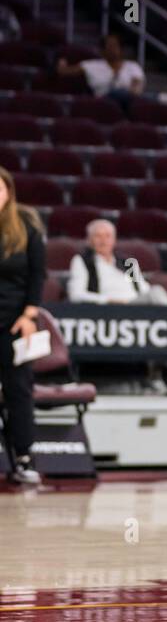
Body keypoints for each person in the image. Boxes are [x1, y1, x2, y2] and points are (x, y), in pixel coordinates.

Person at [0, 168, 46, 485]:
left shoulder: (26, 224)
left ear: (9, 191)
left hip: (15, 321)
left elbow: (37, 274)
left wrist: (29, 316)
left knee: (18, 390)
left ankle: (24, 457)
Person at [67, 219, 167, 305]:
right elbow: (76, 295)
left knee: (156, 291)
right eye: (98, 236)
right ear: (89, 240)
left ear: (114, 240)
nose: (103, 241)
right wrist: (107, 300)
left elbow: (142, 288)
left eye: (107, 236)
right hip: (106, 308)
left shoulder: (128, 262)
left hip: (134, 305)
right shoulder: (82, 261)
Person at [58, 32, 144, 112]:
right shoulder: (91, 65)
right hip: (103, 101)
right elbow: (64, 72)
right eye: (109, 46)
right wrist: (62, 60)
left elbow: (136, 85)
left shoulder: (132, 66)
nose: (112, 49)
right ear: (102, 50)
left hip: (128, 100)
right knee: (117, 93)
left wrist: (132, 94)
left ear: (121, 49)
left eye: (115, 45)